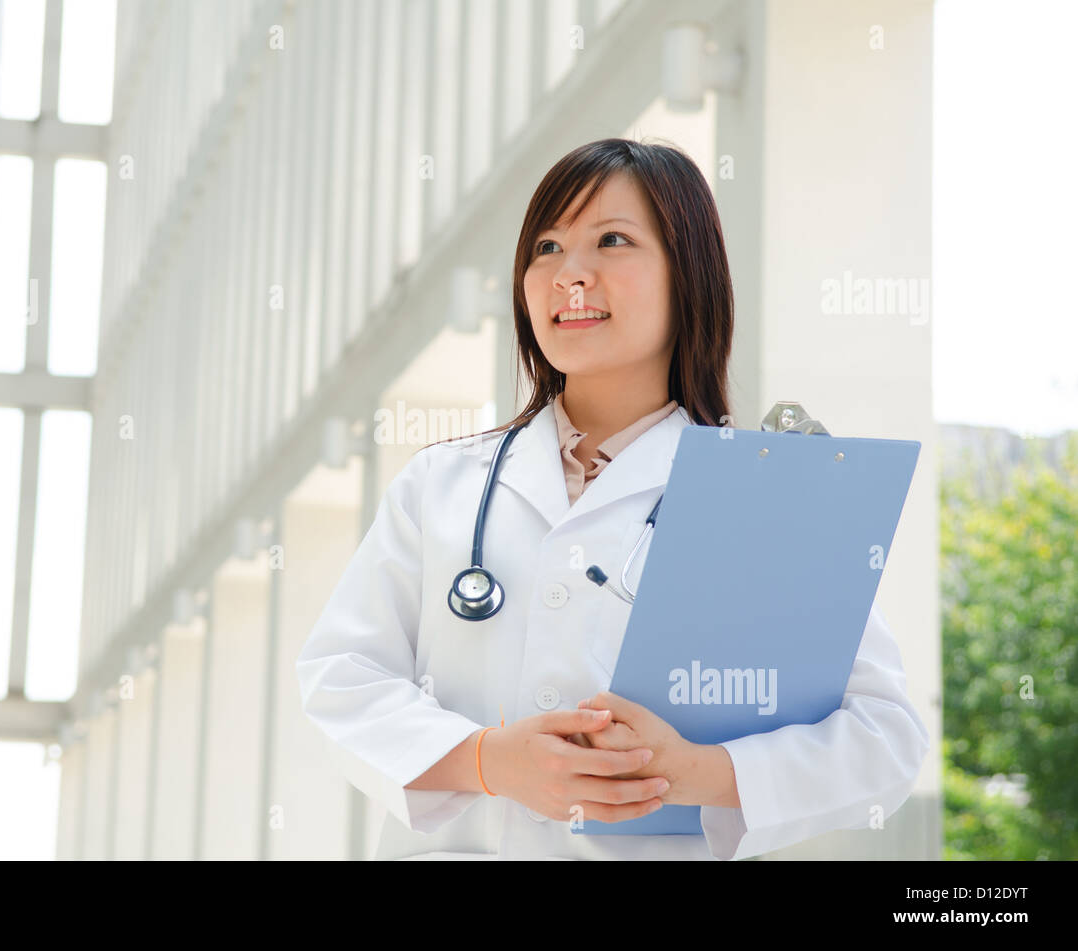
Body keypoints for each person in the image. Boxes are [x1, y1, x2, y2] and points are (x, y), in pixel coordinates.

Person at [295, 137, 928, 860]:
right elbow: (341, 675)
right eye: (547, 247)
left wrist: (700, 772)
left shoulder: (764, 498)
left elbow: (884, 737)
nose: (571, 274)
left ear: (687, 274)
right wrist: (485, 761)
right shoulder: (441, 484)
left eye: (612, 240)